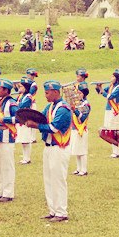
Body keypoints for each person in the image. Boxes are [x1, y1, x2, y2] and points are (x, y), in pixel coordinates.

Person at [24, 81, 72, 222]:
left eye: (47, 92)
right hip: (49, 147)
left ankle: (61, 212)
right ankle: (53, 210)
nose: (45, 95)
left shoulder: (63, 109)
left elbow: (53, 127)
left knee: (58, 180)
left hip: (59, 148)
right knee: (49, 180)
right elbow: (39, 116)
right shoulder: (50, 106)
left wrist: (35, 125)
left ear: (56, 92)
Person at [0, 79, 18, 202]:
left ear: (6, 90)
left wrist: (4, 119)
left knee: (7, 165)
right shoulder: (0, 101)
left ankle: (8, 193)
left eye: (0, 88)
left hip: (8, 135)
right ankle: (1, 190)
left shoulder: (12, 103)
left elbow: (18, 118)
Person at [96, 69, 119, 158]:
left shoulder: (118, 88)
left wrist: (102, 90)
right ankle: (115, 151)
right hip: (108, 109)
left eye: (113, 76)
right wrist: (98, 87)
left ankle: (117, 152)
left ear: (117, 78)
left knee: (113, 130)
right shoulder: (111, 86)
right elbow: (101, 92)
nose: (111, 78)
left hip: (114, 111)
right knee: (109, 130)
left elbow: (109, 96)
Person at [71, 83, 90, 176]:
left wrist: (75, 110)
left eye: (79, 93)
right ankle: (78, 168)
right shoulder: (78, 103)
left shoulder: (86, 104)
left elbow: (82, 118)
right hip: (74, 128)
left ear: (83, 93)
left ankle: (84, 169)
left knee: (82, 150)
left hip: (81, 129)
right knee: (76, 150)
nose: (77, 94)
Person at [15, 78, 36, 164]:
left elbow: (21, 106)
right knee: (23, 140)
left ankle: (27, 158)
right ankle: (25, 157)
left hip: (25, 119)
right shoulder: (22, 95)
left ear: (25, 88)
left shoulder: (28, 97)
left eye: (21, 86)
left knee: (26, 140)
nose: (19, 88)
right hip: (22, 119)